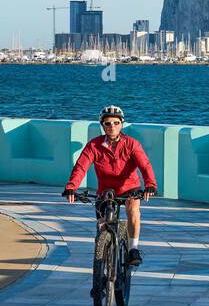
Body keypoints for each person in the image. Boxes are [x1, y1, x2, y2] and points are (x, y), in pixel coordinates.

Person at [62, 105, 157, 266]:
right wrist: (71, 187)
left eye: (116, 123)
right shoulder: (94, 146)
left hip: (129, 188)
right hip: (105, 191)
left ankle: (133, 248)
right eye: (107, 123)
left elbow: (145, 165)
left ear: (121, 124)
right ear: (102, 125)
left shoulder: (132, 144)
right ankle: (101, 272)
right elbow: (81, 167)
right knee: (102, 226)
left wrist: (150, 184)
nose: (112, 126)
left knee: (133, 210)